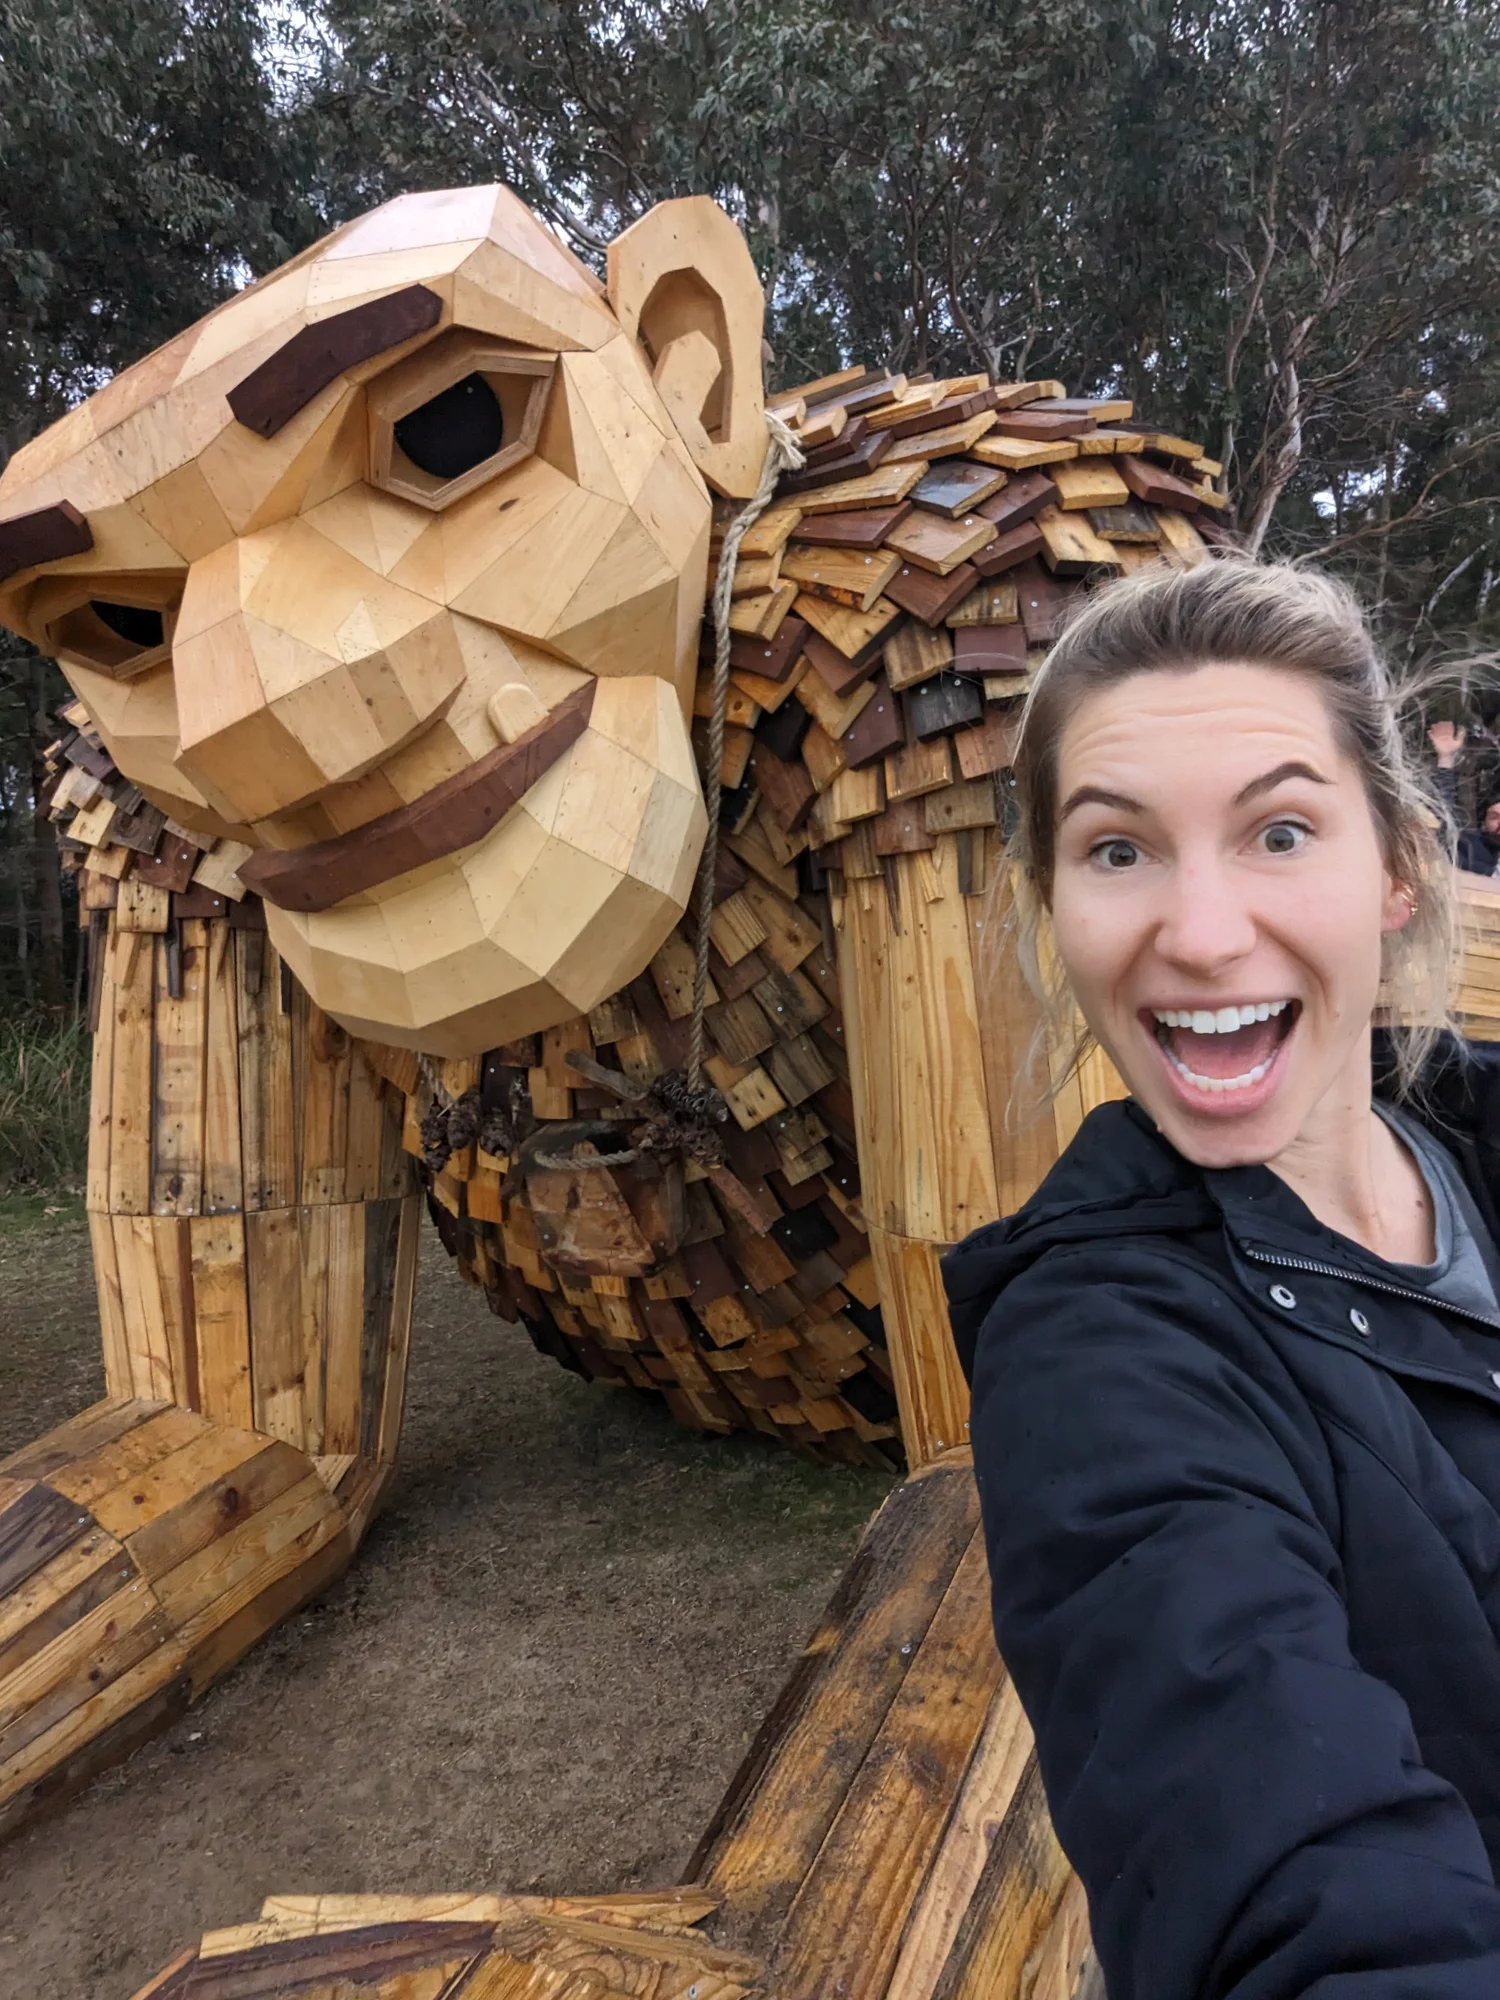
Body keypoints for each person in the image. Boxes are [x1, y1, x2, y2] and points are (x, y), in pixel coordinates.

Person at [943, 558, 1500, 1999]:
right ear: (1053, 899)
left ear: (1397, 867)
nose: (1199, 935)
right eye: (1118, 849)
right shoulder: (1096, 1362)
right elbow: (1289, 1889)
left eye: (1280, 831)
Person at [1429, 719, 1500, 877]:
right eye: (1494, 817)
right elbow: (1444, 811)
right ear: (1483, 825)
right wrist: (1445, 757)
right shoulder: (1469, 852)